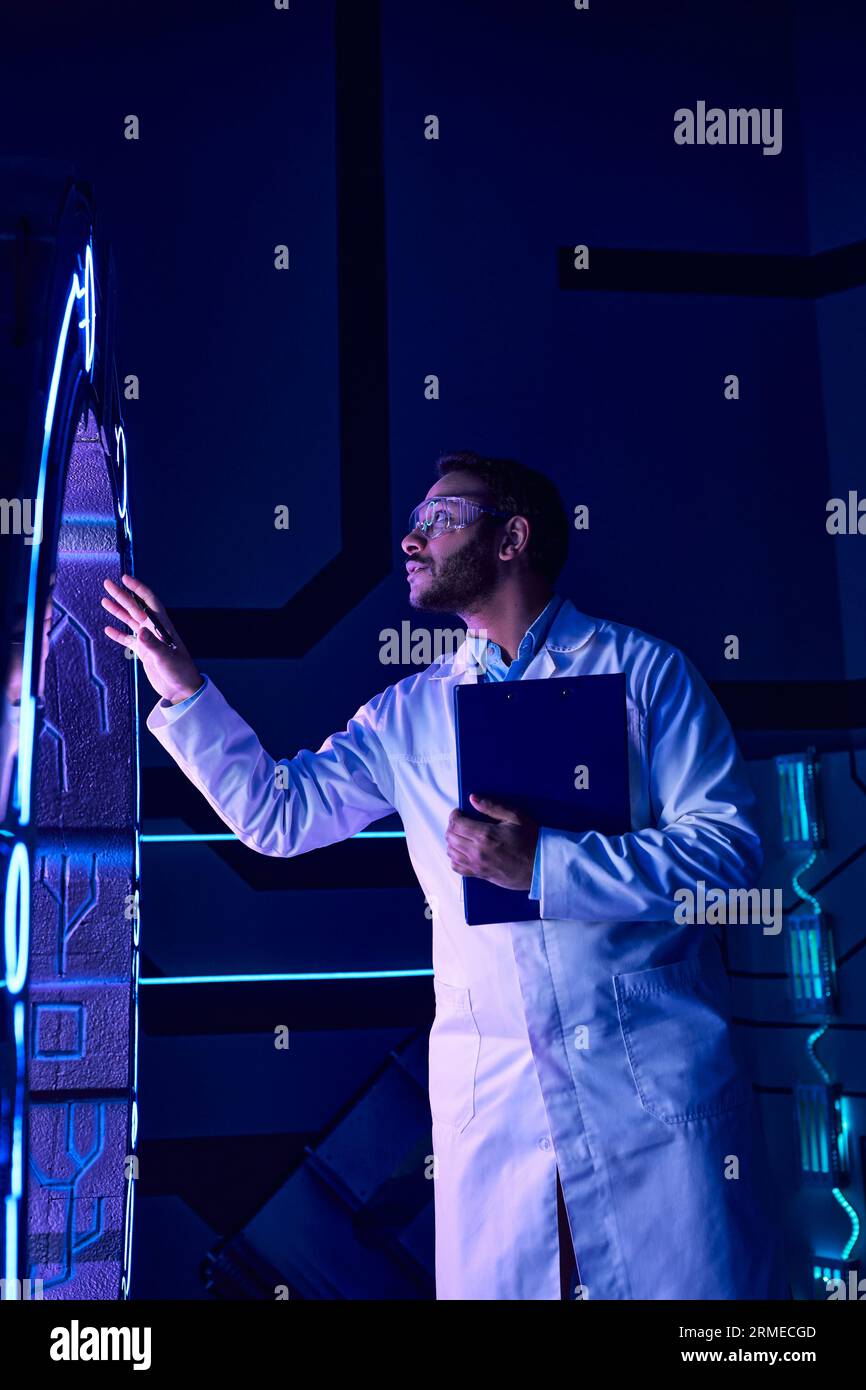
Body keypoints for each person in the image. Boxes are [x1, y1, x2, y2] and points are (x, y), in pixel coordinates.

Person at [101, 449, 787, 1301]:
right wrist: (183, 687)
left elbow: (728, 859)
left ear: (512, 538)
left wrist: (546, 865)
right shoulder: (408, 714)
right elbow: (277, 817)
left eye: (438, 519)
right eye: (415, 522)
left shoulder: (647, 676)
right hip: (495, 1112)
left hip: (652, 1100)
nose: (410, 538)